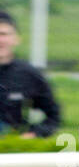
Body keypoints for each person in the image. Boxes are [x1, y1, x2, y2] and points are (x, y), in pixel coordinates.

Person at [0, 11, 62, 139]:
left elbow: (54, 116)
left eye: (4, 34)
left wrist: (33, 134)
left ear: (16, 39)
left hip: (12, 148)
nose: (1, 40)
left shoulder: (29, 74)